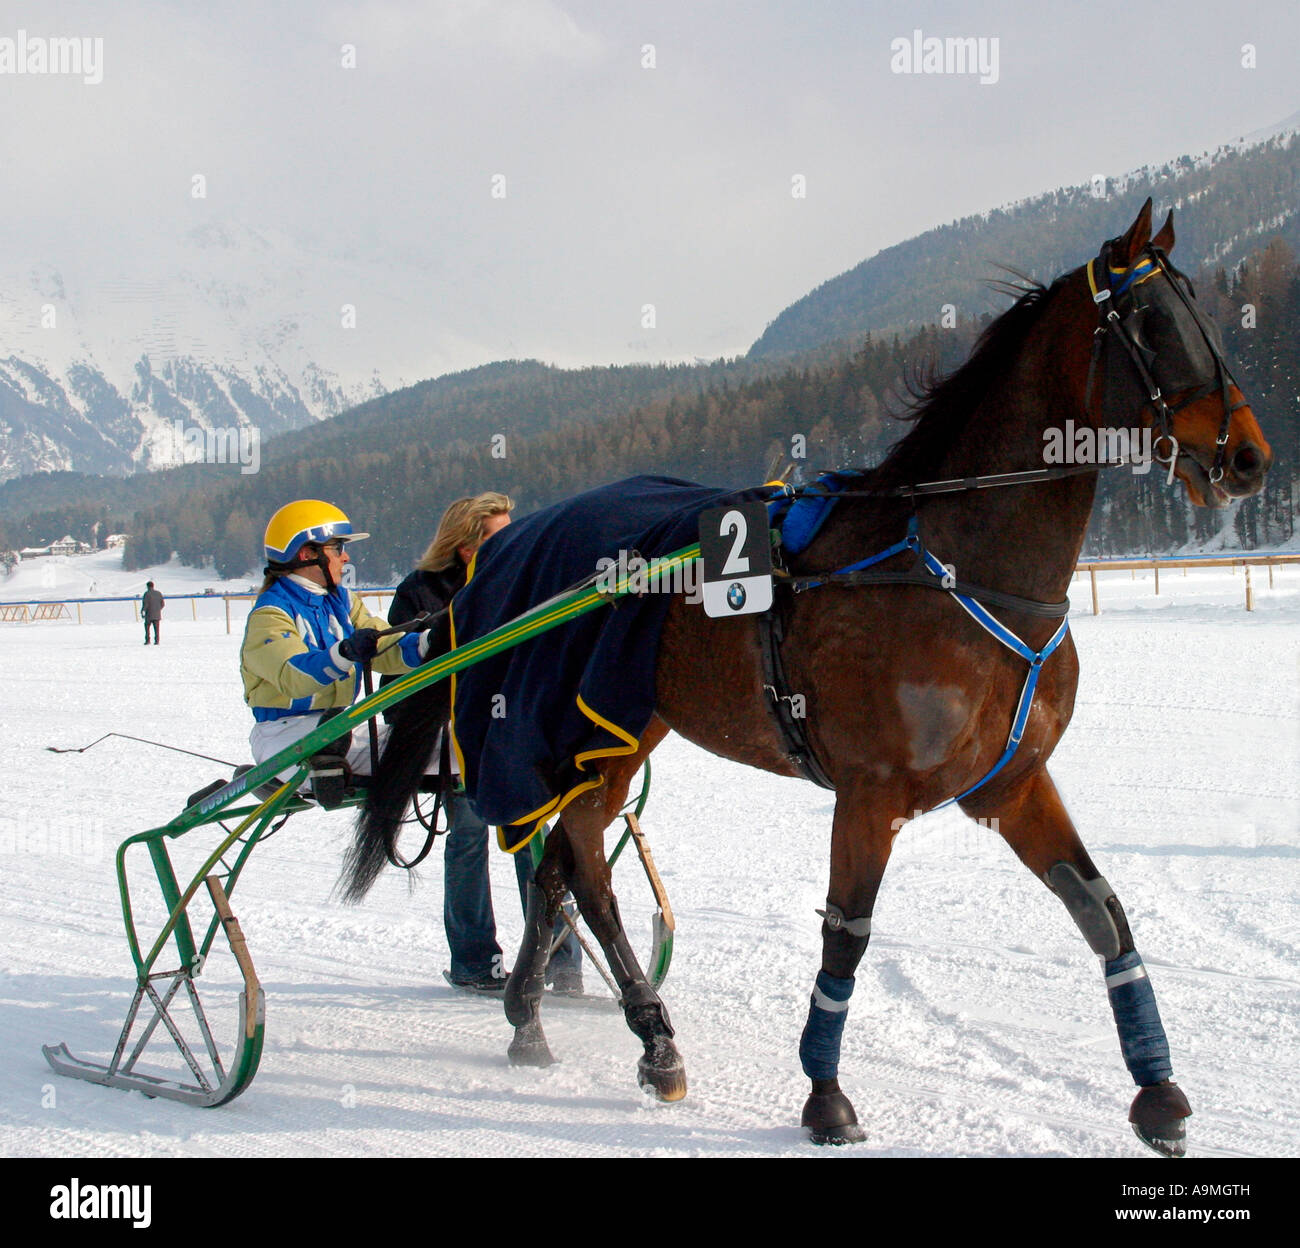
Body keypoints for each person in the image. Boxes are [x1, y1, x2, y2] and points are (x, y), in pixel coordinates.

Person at [388, 493, 583, 996]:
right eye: (499, 534)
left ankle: (558, 959)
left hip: (513, 726)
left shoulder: (523, 581)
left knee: (534, 840)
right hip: (455, 731)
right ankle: (475, 960)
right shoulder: (420, 591)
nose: (514, 541)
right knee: (471, 834)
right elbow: (407, 673)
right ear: (466, 545)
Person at [240, 500, 434, 786]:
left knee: (447, 744)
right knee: (335, 753)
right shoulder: (270, 614)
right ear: (308, 553)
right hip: (283, 737)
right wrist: (344, 653)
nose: (345, 558)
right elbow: (294, 676)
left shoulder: (343, 600)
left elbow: (386, 646)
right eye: (338, 548)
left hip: (337, 729)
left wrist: (433, 641)